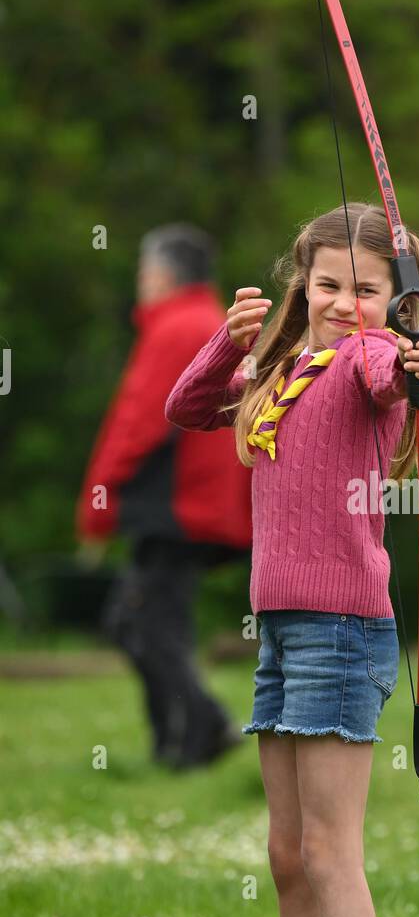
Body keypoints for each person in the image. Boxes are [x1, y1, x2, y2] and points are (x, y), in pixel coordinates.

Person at [164, 203, 419, 917]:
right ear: (304, 283)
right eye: (327, 284)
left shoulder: (368, 360)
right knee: (287, 856)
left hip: (341, 630)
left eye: (367, 289)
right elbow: (187, 408)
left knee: (329, 853)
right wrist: (229, 341)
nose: (342, 303)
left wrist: (414, 351)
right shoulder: (289, 364)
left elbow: (390, 376)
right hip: (284, 631)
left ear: (397, 298)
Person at [75, 223, 253, 769]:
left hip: (175, 508)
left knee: (141, 625)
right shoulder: (214, 321)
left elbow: (134, 425)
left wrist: (95, 507)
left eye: (142, 273)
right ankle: (176, 744)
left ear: (160, 275)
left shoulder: (175, 327)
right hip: (210, 507)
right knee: (152, 623)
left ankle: (202, 729)